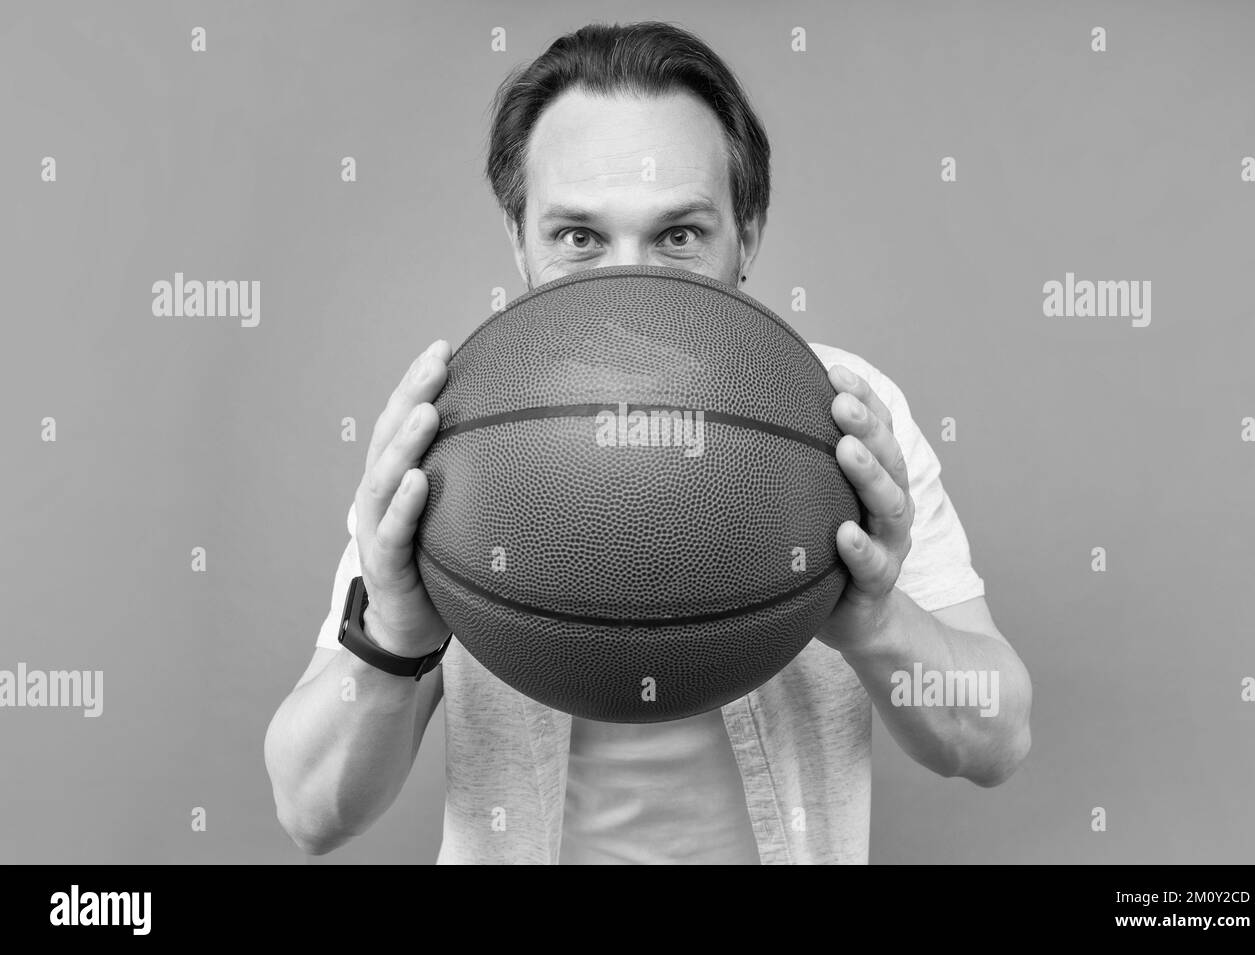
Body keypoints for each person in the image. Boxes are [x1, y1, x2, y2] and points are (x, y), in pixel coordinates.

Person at [264, 21, 1032, 865]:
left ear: (750, 236)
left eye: (677, 236)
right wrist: (398, 632)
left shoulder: (846, 413)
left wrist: (879, 620)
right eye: (578, 239)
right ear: (517, 242)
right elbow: (311, 811)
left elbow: (996, 737)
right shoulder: (448, 433)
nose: (630, 283)